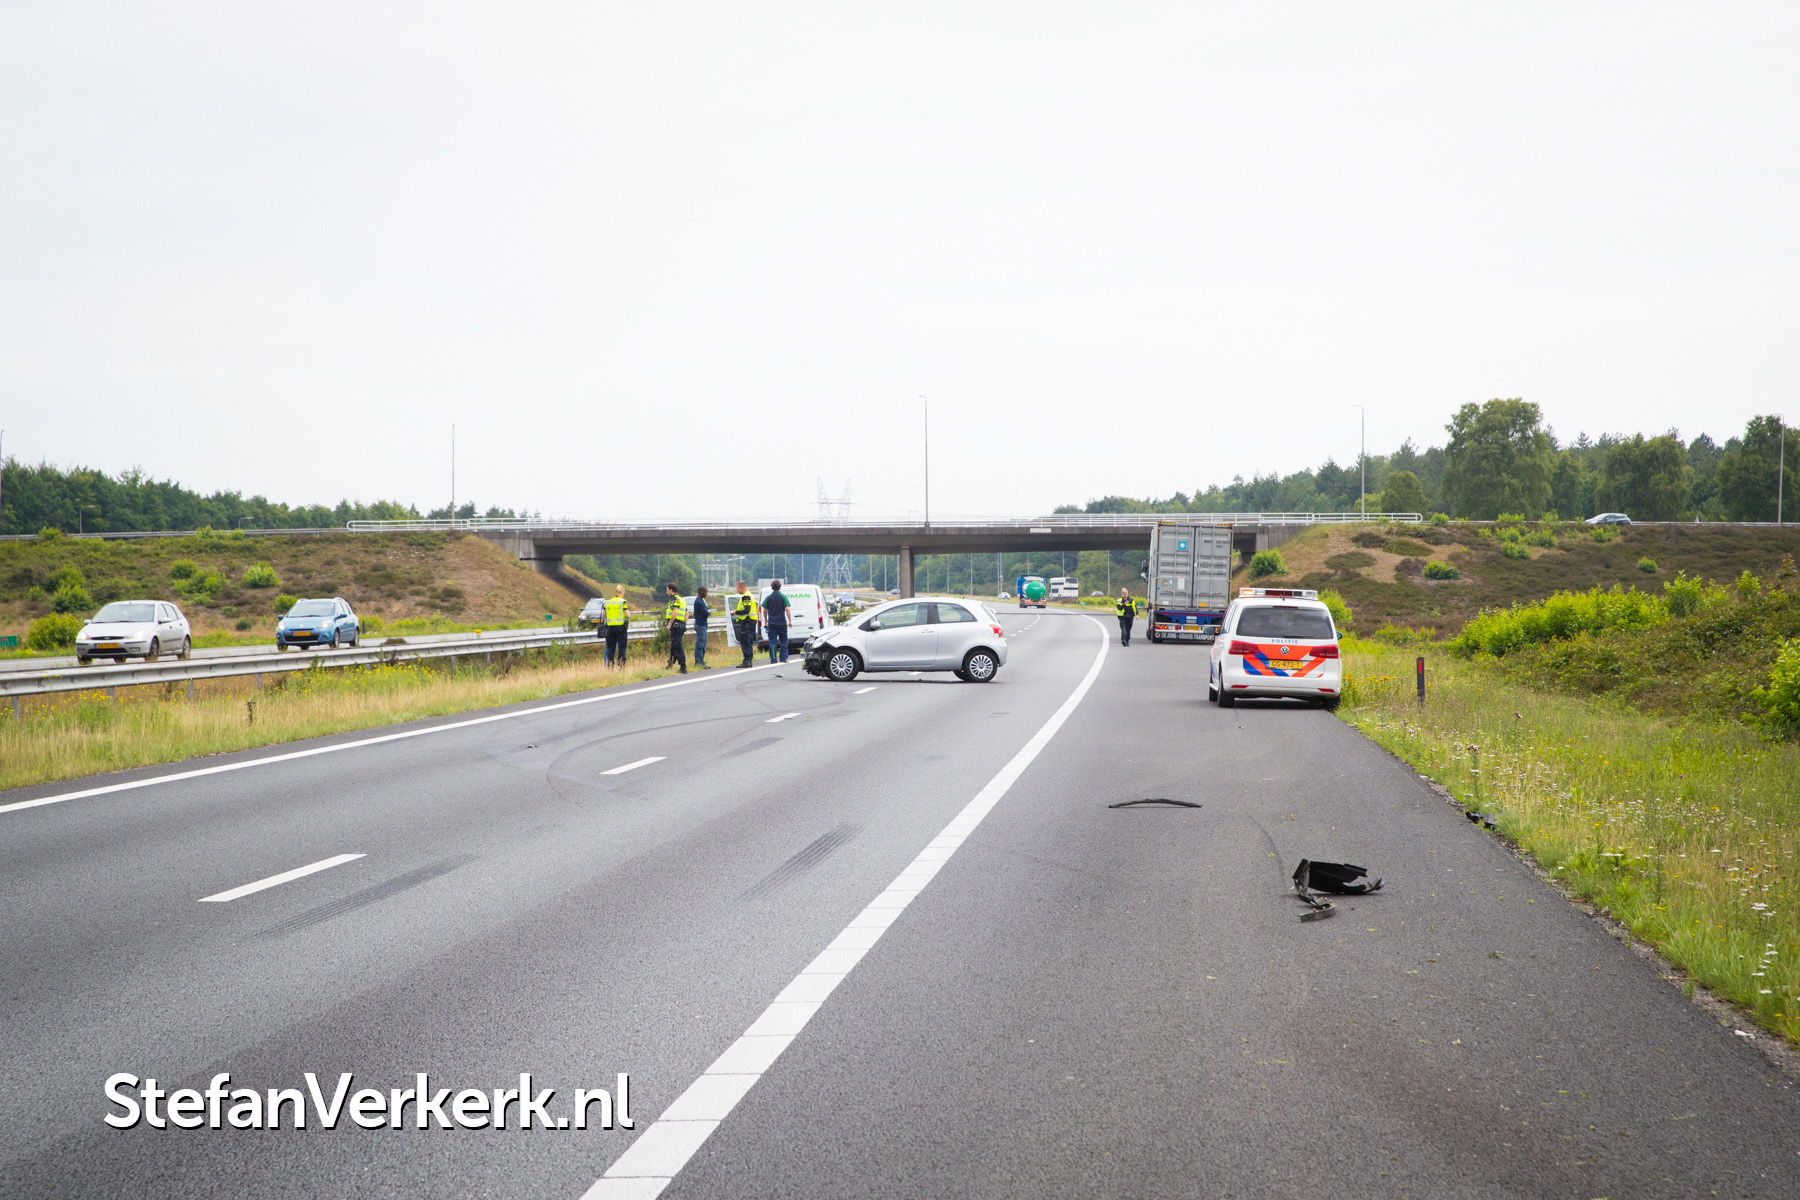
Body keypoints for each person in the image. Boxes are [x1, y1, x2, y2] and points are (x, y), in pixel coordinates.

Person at [762, 579, 791, 663]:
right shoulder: (784, 597)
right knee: (784, 640)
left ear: (772, 587)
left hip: (772, 623)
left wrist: (766, 620)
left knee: (772, 641)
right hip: (782, 622)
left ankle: (774, 659)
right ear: (780, 587)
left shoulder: (768, 598)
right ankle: (784, 658)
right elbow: (787, 609)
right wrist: (790, 620)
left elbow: (765, 610)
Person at [601, 584, 630, 668]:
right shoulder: (622, 601)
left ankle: (610, 666)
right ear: (621, 592)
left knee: (611, 648)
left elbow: (603, 614)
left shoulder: (607, 602)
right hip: (620, 628)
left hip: (610, 628)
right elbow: (627, 615)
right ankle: (621, 665)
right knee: (622, 647)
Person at [731, 580, 758, 667]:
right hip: (750, 621)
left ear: (741, 587)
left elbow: (747, 610)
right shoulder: (749, 595)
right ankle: (748, 660)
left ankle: (747, 660)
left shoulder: (746, 596)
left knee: (745, 641)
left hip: (747, 621)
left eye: (737, 588)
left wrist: (736, 612)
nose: (737, 590)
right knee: (748, 641)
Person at [663, 583, 687, 674]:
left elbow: (675, 611)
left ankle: (683, 666)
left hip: (676, 624)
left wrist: (670, 623)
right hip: (681, 624)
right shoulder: (682, 599)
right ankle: (670, 664)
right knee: (674, 645)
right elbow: (687, 613)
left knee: (677, 646)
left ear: (671, 590)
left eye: (667, 590)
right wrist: (684, 623)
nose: (667, 592)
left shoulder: (674, 599)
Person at [691, 586, 711, 669]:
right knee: (700, 644)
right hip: (700, 625)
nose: (706, 594)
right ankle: (698, 661)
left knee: (703, 643)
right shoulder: (698, 601)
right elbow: (706, 612)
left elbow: (707, 610)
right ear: (701, 592)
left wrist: (707, 611)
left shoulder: (701, 600)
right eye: (705, 592)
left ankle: (701, 660)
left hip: (703, 624)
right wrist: (708, 612)